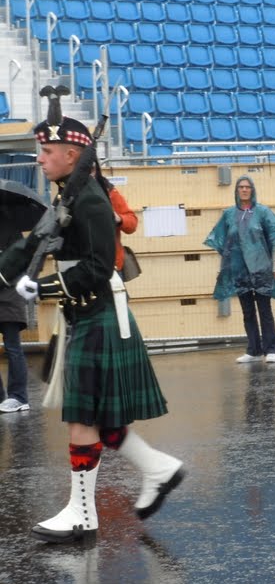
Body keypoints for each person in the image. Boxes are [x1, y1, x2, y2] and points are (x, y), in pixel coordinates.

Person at [2, 94, 183, 543]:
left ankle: (82, 513)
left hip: (99, 310)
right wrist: (8, 269)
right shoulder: (69, 198)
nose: (40, 159)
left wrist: (39, 288)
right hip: (82, 314)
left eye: (46, 152)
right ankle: (159, 468)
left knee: (82, 417)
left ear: (73, 154)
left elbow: (101, 267)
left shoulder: (93, 201)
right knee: (100, 419)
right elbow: (42, 241)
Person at [205, 175, 275, 364]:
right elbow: (224, 245)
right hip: (239, 270)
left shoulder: (263, 212)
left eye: (247, 187)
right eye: (240, 187)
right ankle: (253, 350)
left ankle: (271, 349)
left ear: (252, 190)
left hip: (262, 269)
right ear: (236, 191)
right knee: (247, 312)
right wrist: (225, 268)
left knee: (264, 310)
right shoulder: (229, 215)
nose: (244, 190)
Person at [0, 215, 29, 413]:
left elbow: (20, 261)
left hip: (9, 298)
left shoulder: (10, 228)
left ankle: (18, 397)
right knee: (13, 348)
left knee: (13, 348)